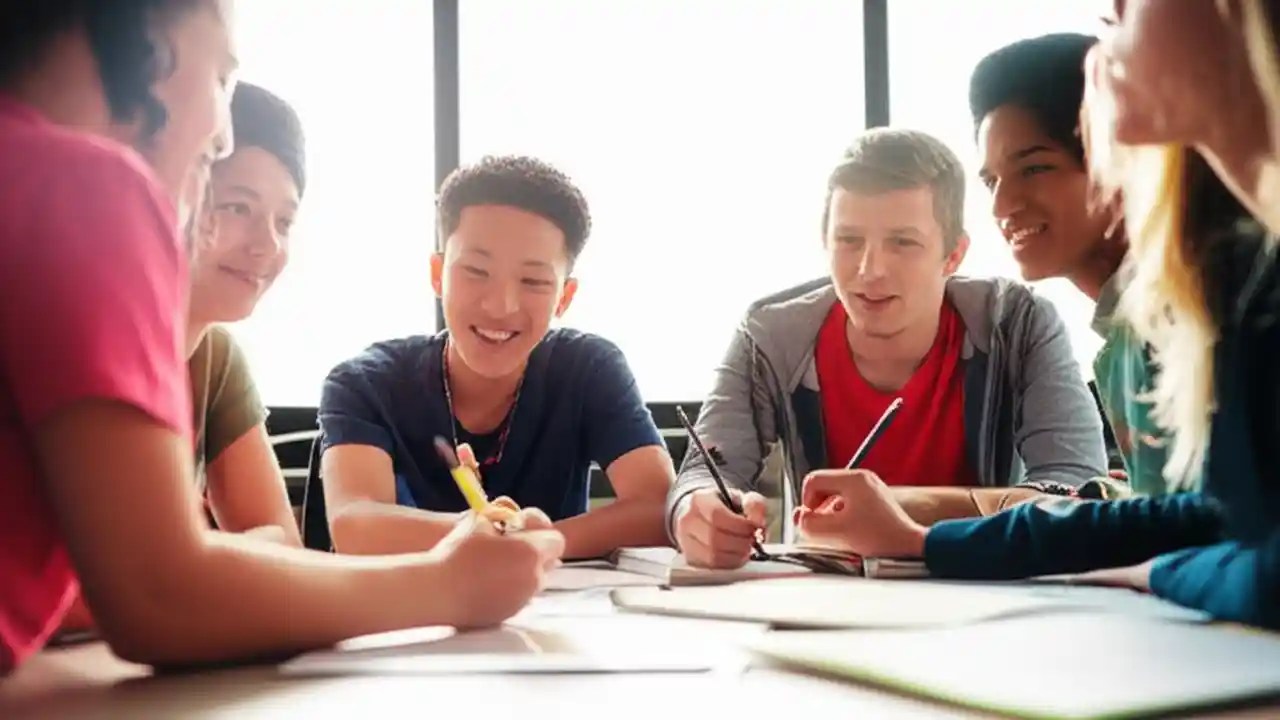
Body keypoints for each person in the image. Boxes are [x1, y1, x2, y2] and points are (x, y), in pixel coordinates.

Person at [0, 0, 561, 674]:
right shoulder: (86, 186)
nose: (219, 128)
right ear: (153, 41)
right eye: (223, 76)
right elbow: (157, 594)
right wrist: (450, 585)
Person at [794, 0, 1280, 629]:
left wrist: (1156, 570)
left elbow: (1217, 532)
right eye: (992, 179)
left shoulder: (1229, 293)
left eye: (1035, 168)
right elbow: (1203, 513)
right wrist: (925, 529)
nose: (1109, 22)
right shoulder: (1199, 299)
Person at [669, 127, 1108, 569]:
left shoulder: (1016, 325)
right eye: (849, 240)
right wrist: (696, 510)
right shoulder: (769, 335)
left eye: (903, 243)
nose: (870, 270)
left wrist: (900, 507)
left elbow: (1077, 490)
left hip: (981, 587)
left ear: (953, 256)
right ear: (825, 241)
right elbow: (703, 475)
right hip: (827, 598)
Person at [318, 155, 674, 560]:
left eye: (534, 281)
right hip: (410, 615)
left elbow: (656, 507)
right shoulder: (366, 383)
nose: (501, 306)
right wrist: (498, 532)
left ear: (564, 297)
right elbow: (356, 525)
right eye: (475, 271)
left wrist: (536, 541)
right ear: (438, 274)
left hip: (556, 615)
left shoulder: (589, 369)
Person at [969, 32, 1169, 495]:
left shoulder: (1185, 324)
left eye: (1034, 168)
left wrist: (927, 537)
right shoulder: (1124, 336)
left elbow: (1199, 529)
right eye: (991, 181)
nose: (1003, 205)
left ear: (1119, 161)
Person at [186, 82, 306, 545]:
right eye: (238, 207)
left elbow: (283, 543)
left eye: (284, 222)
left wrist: (198, 555)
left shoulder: (213, 356)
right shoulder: (81, 337)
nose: (267, 244)